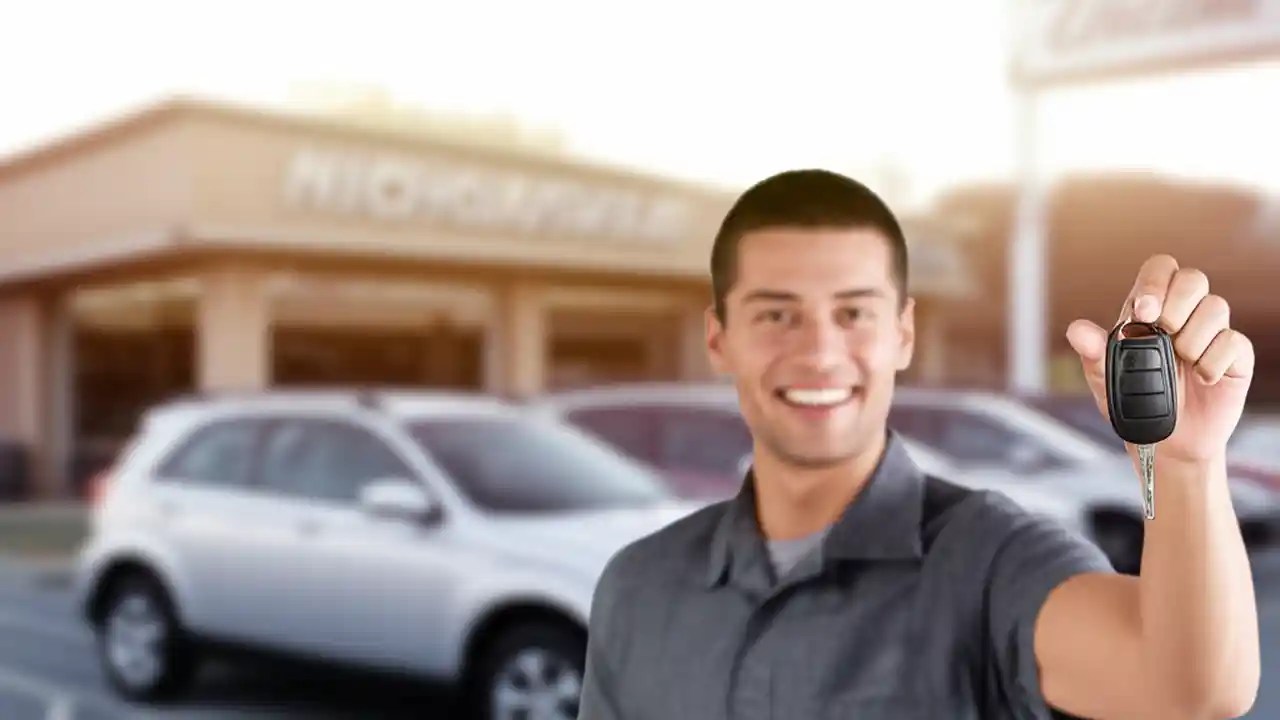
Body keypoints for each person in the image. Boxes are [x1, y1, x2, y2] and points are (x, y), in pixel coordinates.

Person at [576, 169, 1260, 719]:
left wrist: (1185, 464)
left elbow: (1188, 694)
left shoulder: (994, 562)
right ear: (719, 338)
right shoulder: (637, 584)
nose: (818, 352)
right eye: (777, 314)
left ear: (902, 332)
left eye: (854, 313)